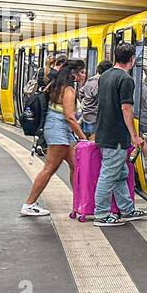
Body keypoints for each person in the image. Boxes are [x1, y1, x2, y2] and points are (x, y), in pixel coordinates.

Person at [91, 43, 147, 227]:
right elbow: (126, 108)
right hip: (115, 135)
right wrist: (134, 135)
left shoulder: (105, 76)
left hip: (103, 131)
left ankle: (127, 209)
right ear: (132, 59)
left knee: (120, 172)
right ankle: (101, 214)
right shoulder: (126, 80)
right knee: (109, 173)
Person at [20, 58, 85, 217]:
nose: (84, 75)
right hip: (58, 131)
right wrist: (83, 138)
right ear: (74, 74)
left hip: (60, 131)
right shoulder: (68, 90)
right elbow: (70, 117)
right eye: (82, 72)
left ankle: (80, 203)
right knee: (50, 168)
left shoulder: (57, 85)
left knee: (76, 166)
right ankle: (29, 204)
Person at [78, 59, 111, 138]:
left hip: (86, 116)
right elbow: (101, 100)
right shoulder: (98, 82)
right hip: (94, 118)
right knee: (92, 144)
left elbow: (81, 92)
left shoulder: (90, 80)